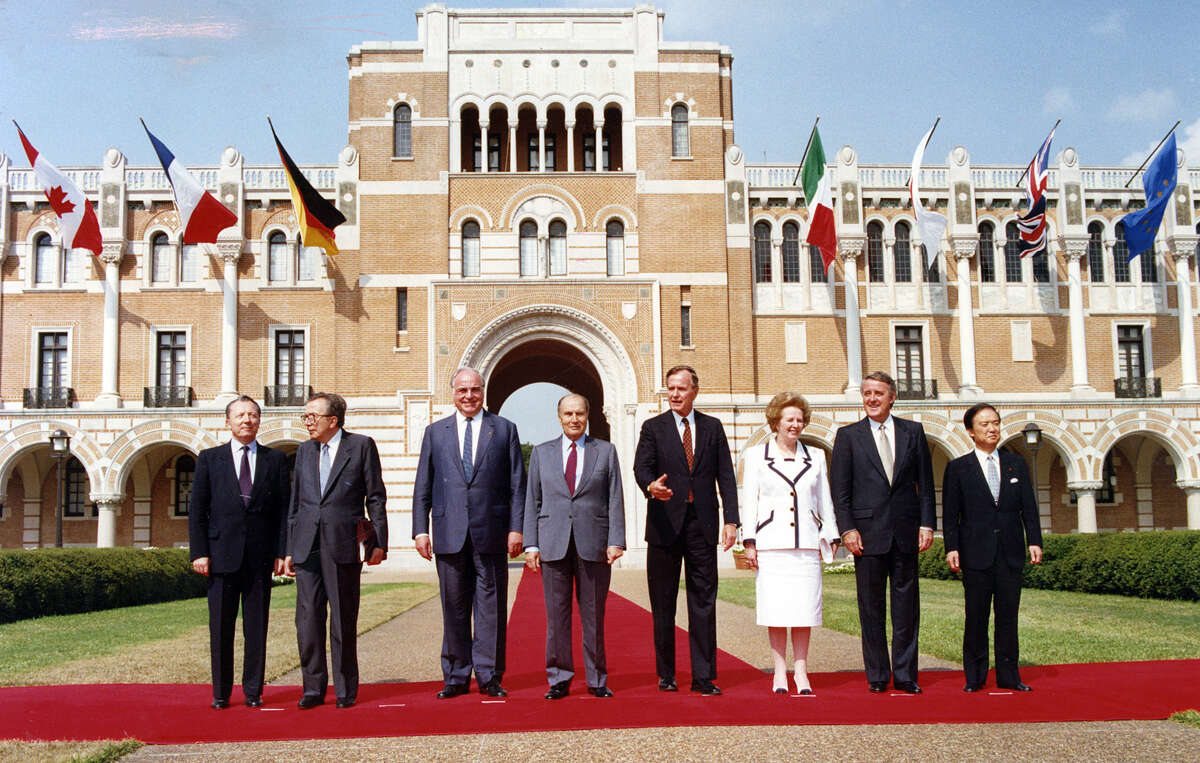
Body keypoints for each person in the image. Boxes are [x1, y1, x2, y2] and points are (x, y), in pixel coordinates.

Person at [412, 367, 526, 699]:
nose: (469, 396)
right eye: (462, 390)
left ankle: (490, 675)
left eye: (474, 389)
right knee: (454, 606)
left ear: (483, 391)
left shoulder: (504, 430)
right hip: (449, 533)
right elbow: (423, 486)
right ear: (453, 393)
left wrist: (516, 528)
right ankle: (456, 675)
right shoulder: (436, 432)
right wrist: (421, 530)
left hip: (491, 533)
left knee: (490, 607)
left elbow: (517, 485)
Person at [633, 365, 739, 695]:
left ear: (695, 390)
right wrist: (651, 487)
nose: (675, 394)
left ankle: (703, 675)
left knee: (703, 602)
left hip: (702, 525)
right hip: (664, 524)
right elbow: (641, 467)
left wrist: (732, 521)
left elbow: (727, 476)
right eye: (670, 389)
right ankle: (666, 673)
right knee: (663, 602)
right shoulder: (653, 428)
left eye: (681, 388)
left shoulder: (712, 427)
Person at [830, 371, 935, 694]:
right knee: (871, 607)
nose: (871, 399)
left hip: (905, 532)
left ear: (892, 397)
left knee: (907, 608)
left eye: (878, 393)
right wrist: (847, 529)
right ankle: (877, 674)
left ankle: (905, 675)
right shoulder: (848, 436)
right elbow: (840, 491)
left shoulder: (913, 432)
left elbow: (926, 486)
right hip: (866, 534)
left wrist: (927, 523)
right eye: (866, 393)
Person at [284, 392, 388, 709]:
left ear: (334, 419)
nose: (307, 421)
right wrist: (289, 547)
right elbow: (296, 501)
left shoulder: (360, 446)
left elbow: (375, 496)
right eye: (305, 416)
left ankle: (345, 689)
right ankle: (313, 689)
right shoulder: (303, 451)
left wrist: (379, 542)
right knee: (308, 620)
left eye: (313, 415)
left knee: (343, 617)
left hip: (343, 544)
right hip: (306, 545)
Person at [188, 395, 290, 709]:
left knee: (256, 627)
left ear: (260, 421)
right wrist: (199, 552)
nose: (247, 420)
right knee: (220, 628)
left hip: (260, 559)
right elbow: (198, 511)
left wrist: (281, 551)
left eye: (253, 415)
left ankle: (253, 691)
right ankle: (221, 693)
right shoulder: (209, 459)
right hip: (220, 557)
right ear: (228, 422)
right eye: (240, 415)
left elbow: (283, 512)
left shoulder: (275, 460)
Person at [523, 393, 626, 700]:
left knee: (593, 616)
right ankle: (559, 678)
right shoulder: (542, 454)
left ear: (587, 415)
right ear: (559, 417)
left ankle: (596, 679)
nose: (574, 419)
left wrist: (616, 540)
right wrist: (531, 544)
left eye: (579, 413)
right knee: (557, 617)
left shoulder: (605, 452)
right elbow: (533, 500)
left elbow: (615, 498)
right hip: (553, 541)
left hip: (593, 543)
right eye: (568, 414)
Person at [740, 392, 839, 695]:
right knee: (776, 610)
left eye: (799, 419)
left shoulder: (817, 457)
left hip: (806, 543)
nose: (795, 425)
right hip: (772, 543)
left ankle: (802, 672)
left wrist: (831, 533)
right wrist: (749, 541)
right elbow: (750, 501)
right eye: (789, 420)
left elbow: (825, 498)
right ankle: (779, 672)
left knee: (804, 610)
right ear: (776, 422)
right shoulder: (757, 456)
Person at [943, 403, 1043, 693]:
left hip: (1010, 552)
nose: (992, 428)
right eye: (985, 424)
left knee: (1008, 616)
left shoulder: (1016, 463)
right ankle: (974, 677)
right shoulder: (958, 468)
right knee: (975, 616)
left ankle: (1009, 675)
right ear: (971, 431)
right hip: (975, 553)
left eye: (996, 423)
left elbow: (1029, 508)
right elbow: (951, 513)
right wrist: (952, 547)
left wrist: (1034, 540)